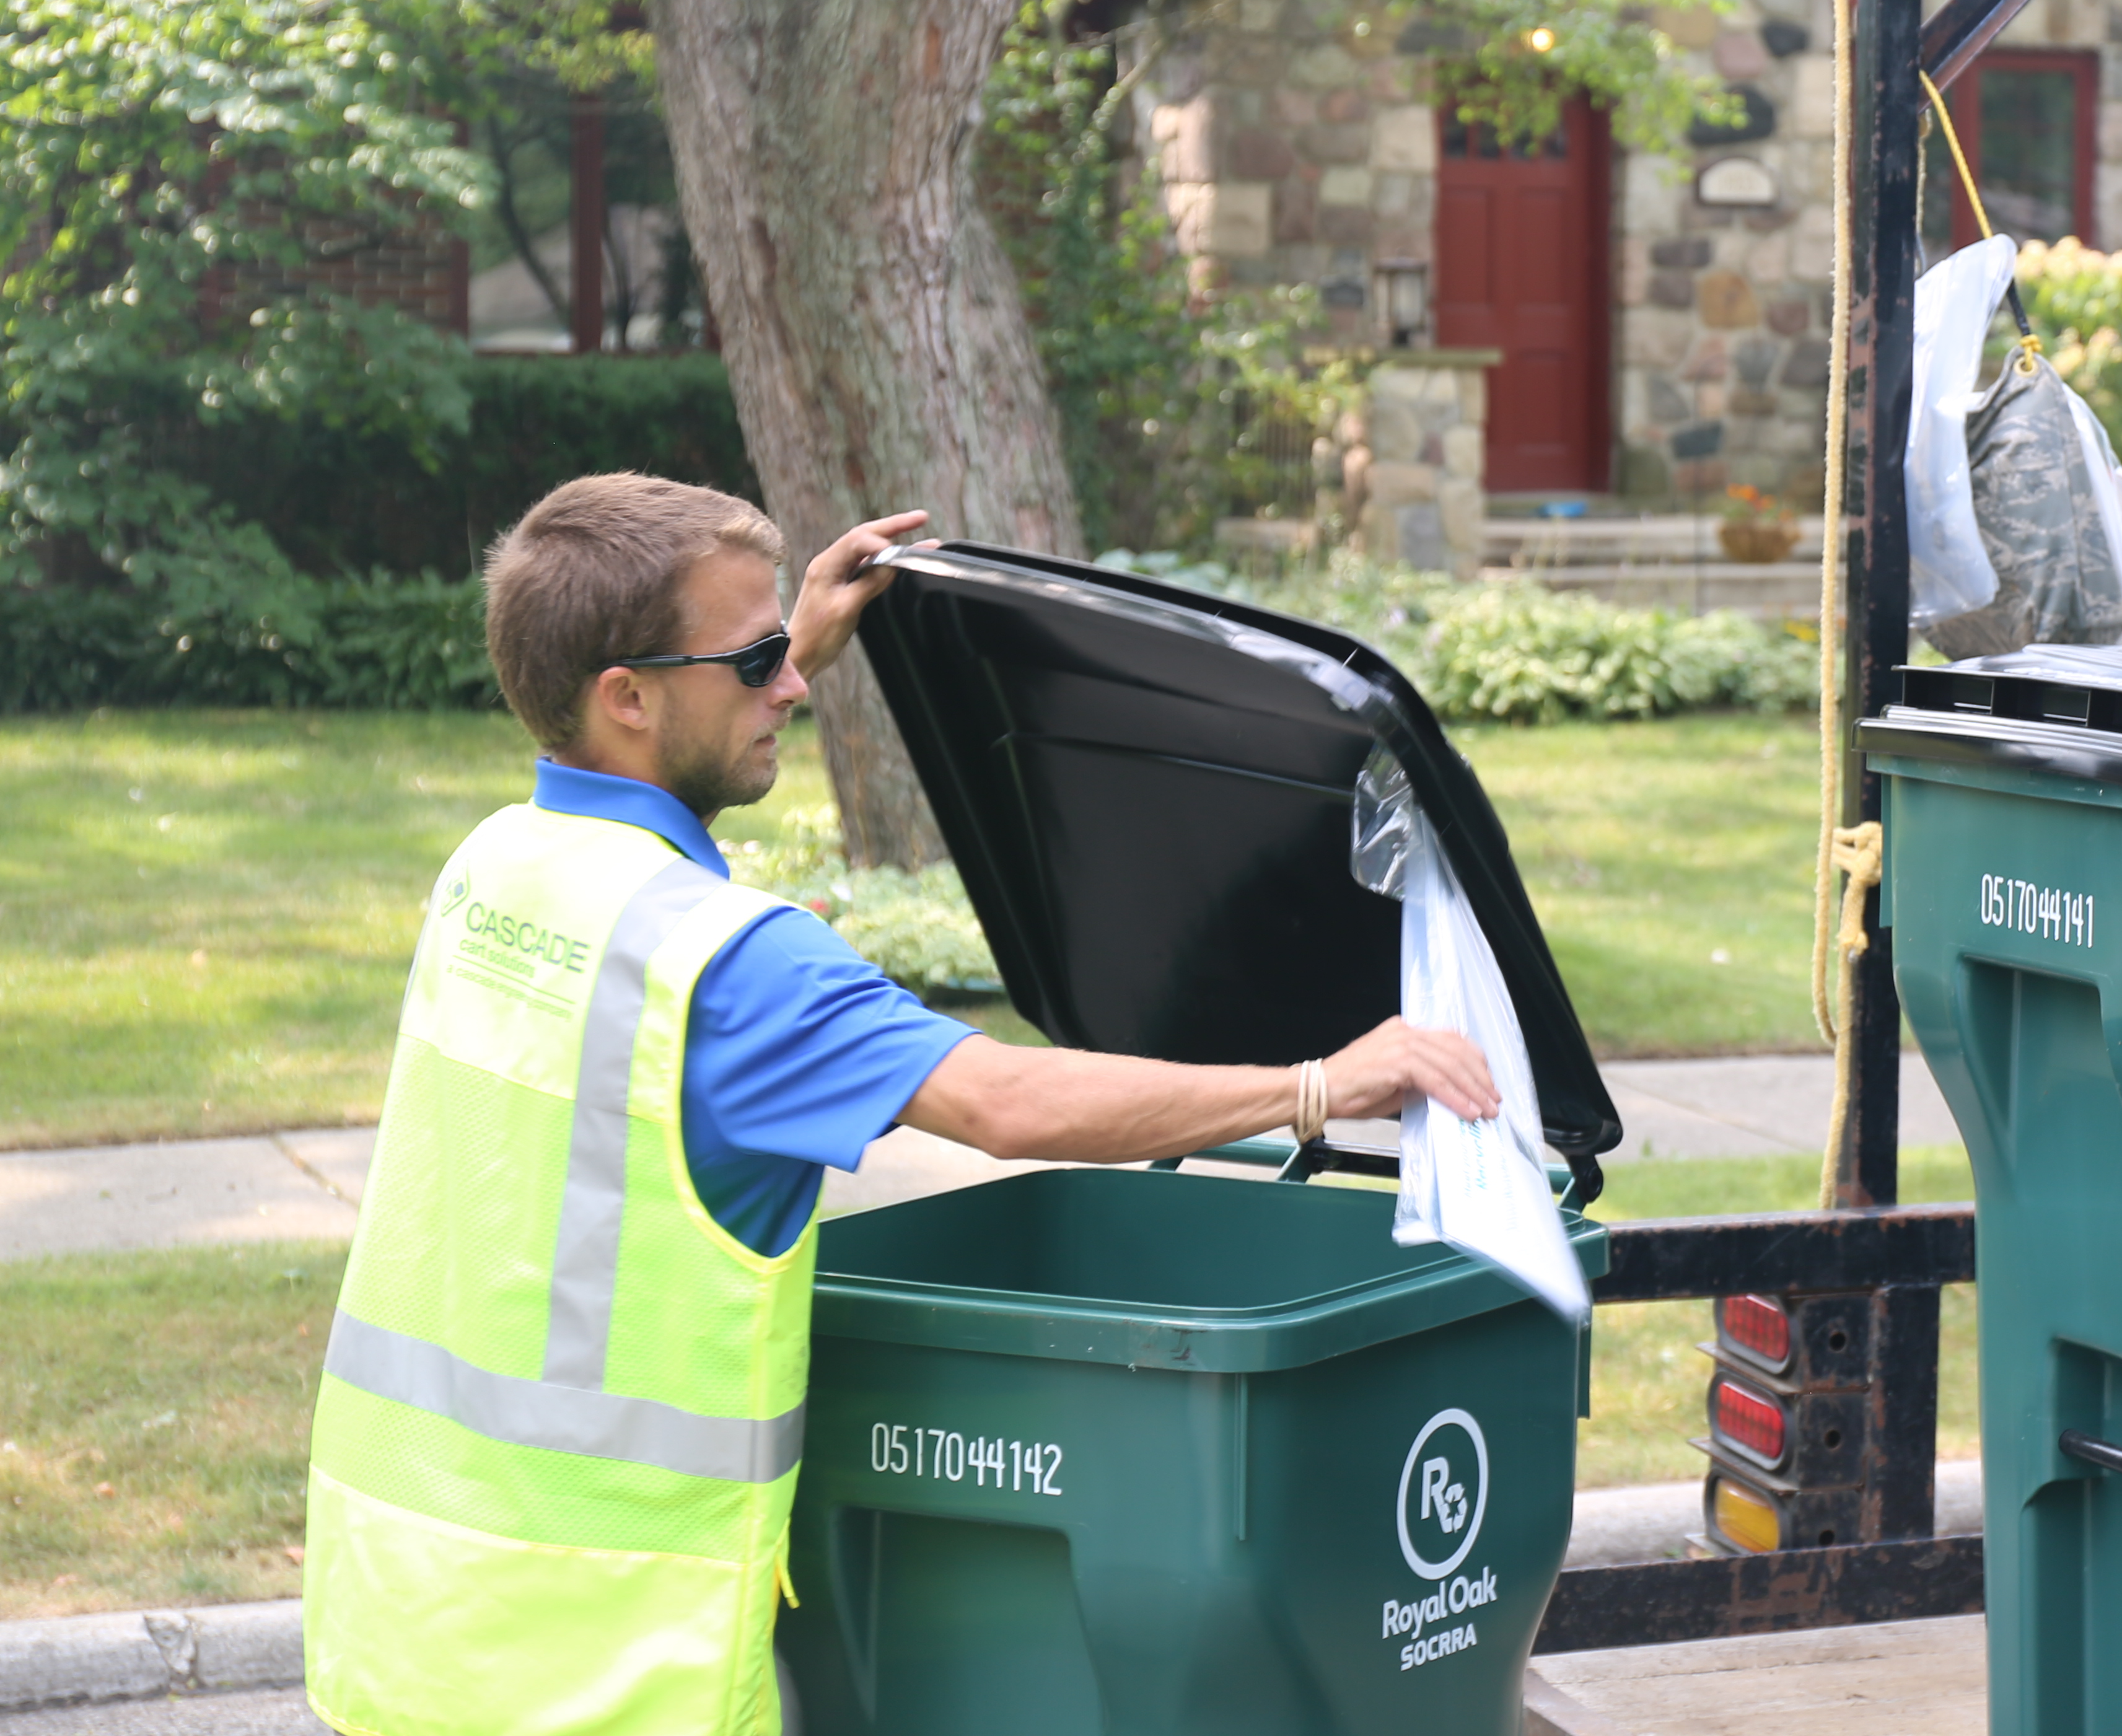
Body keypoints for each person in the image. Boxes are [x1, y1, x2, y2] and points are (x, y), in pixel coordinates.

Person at [302, 473, 1494, 1736]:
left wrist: (778, 645)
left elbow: (634, 852)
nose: (796, 685)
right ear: (630, 697)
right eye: (758, 658)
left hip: (412, 1613)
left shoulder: (494, 869)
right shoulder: (737, 970)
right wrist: (1324, 1083)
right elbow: (1010, 1103)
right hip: (606, 1670)